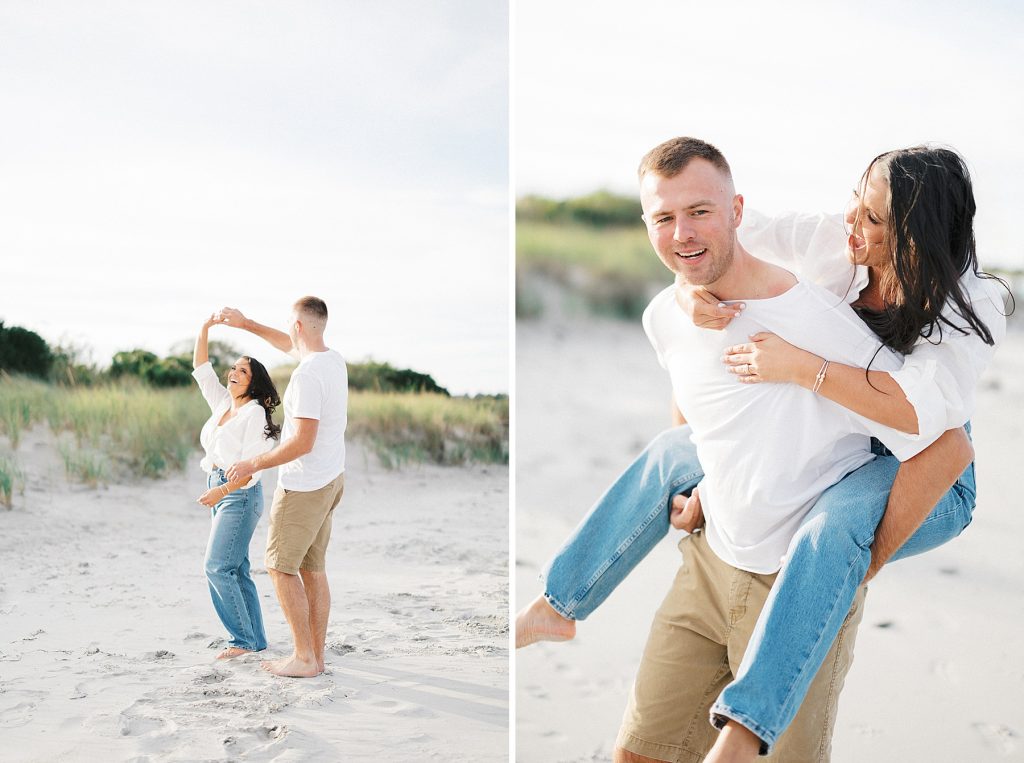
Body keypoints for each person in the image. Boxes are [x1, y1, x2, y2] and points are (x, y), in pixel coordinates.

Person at [517, 138, 1005, 762]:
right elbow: (709, 235)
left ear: (916, 233)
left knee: (833, 533)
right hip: (841, 439)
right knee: (675, 451)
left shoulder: (972, 302)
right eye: (856, 200)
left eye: (874, 217)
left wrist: (803, 370)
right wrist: (690, 291)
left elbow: (938, 436)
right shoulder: (830, 239)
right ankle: (560, 601)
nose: (852, 220)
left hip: (923, 471)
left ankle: (745, 731)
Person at [217, 296, 348, 679]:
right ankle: (315, 657)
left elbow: (302, 442)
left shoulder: (307, 376)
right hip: (329, 480)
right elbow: (285, 343)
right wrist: (245, 324)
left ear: (299, 326)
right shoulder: (332, 360)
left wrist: (252, 462)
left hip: (304, 485)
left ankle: (304, 657)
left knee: (279, 566)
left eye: (289, 324)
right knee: (312, 568)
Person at [192, 314, 280, 660]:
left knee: (216, 566)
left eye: (243, 371)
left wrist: (221, 492)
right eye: (233, 368)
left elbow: (250, 468)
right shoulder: (224, 404)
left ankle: (241, 640)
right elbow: (201, 368)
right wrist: (205, 328)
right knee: (237, 569)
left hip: (238, 495)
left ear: (254, 382)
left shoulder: (254, 414)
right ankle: (254, 640)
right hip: (220, 488)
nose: (233, 373)